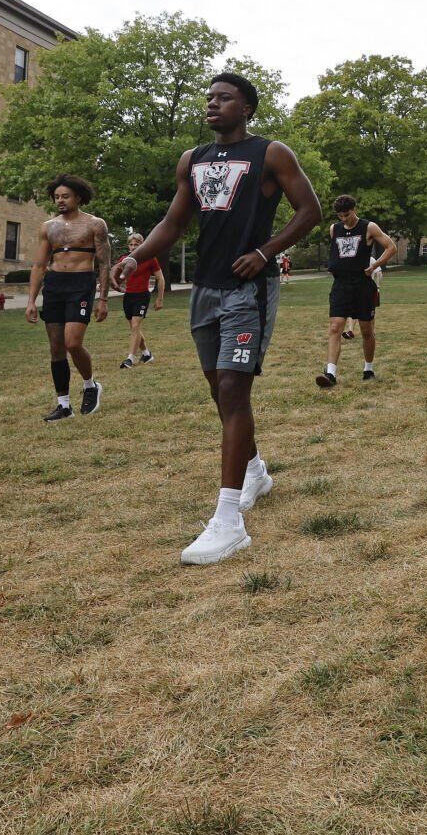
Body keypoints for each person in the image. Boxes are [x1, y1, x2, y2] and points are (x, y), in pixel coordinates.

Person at [115, 72, 323, 565]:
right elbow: (174, 222)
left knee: (232, 387)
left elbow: (309, 210)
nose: (212, 104)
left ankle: (228, 521)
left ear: (246, 108)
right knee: (219, 390)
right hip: (204, 290)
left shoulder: (271, 154)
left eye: (224, 98)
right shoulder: (193, 159)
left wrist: (265, 252)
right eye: (209, 97)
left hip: (248, 290)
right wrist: (136, 257)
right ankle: (255, 471)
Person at [26, 175, 110, 421]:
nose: (60, 201)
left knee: (72, 342)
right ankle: (64, 405)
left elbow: (104, 264)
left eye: (65, 196)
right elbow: (39, 265)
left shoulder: (95, 224)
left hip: (81, 284)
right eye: (57, 197)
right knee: (56, 347)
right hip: (55, 285)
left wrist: (103, 299)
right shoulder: (48, 227)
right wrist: (31, 301)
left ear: (78, 197)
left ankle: (90, 385)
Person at [318, 195, 398, 388]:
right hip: (341, 285)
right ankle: (330, 374)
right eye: (340, 216)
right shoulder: (334, 229)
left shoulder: (369, 227)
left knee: (366, 330)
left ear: (354, 210)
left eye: (347, 214)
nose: (344, 219)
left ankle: (368, 369)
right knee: (335, 327)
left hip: (362, 285)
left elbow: (391, 247)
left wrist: (374, 266)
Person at [118, 232, 165, 369]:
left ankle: (130, 359)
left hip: (142, 296)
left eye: (136, 244)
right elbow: (116, 276)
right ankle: (146, 354)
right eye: (131, 244)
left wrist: (160, 299)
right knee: (134, 328)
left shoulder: (150, 259)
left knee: (135, 326)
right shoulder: (124, 259)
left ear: (142, 245)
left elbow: (160, 278)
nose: (133, 247)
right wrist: (102, 285)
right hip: (128, 296)